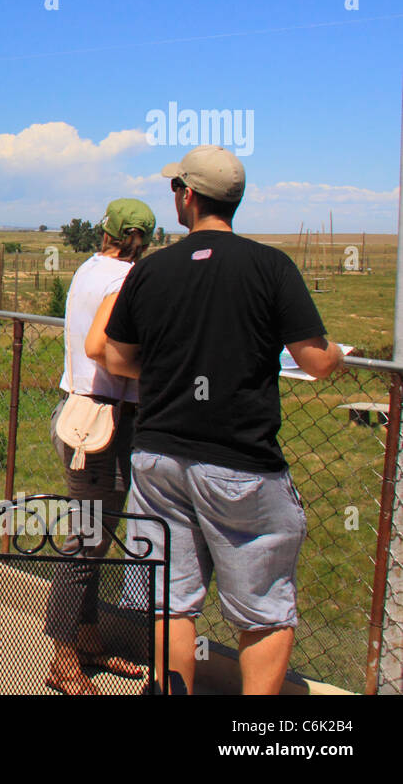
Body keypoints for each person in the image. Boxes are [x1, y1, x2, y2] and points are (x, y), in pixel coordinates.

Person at [103, 146, 343, 694]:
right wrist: (339, 357)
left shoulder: (152, 270)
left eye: (174, 189)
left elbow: (117, 358)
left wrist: (171, 373)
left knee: (170, 600)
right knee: (262, 610)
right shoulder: (270, 267)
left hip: (159, 455)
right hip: (240, 464)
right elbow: (316, 361)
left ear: (187, 196)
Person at [42, 198, 155, 694]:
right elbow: (107, 351)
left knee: (94, 537)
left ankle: (86, 640)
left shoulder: (90, 269)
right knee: (85, 543)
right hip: (103, 422)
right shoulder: (123, 281)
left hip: (80, 414)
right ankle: (63, 660)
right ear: (141, 239)